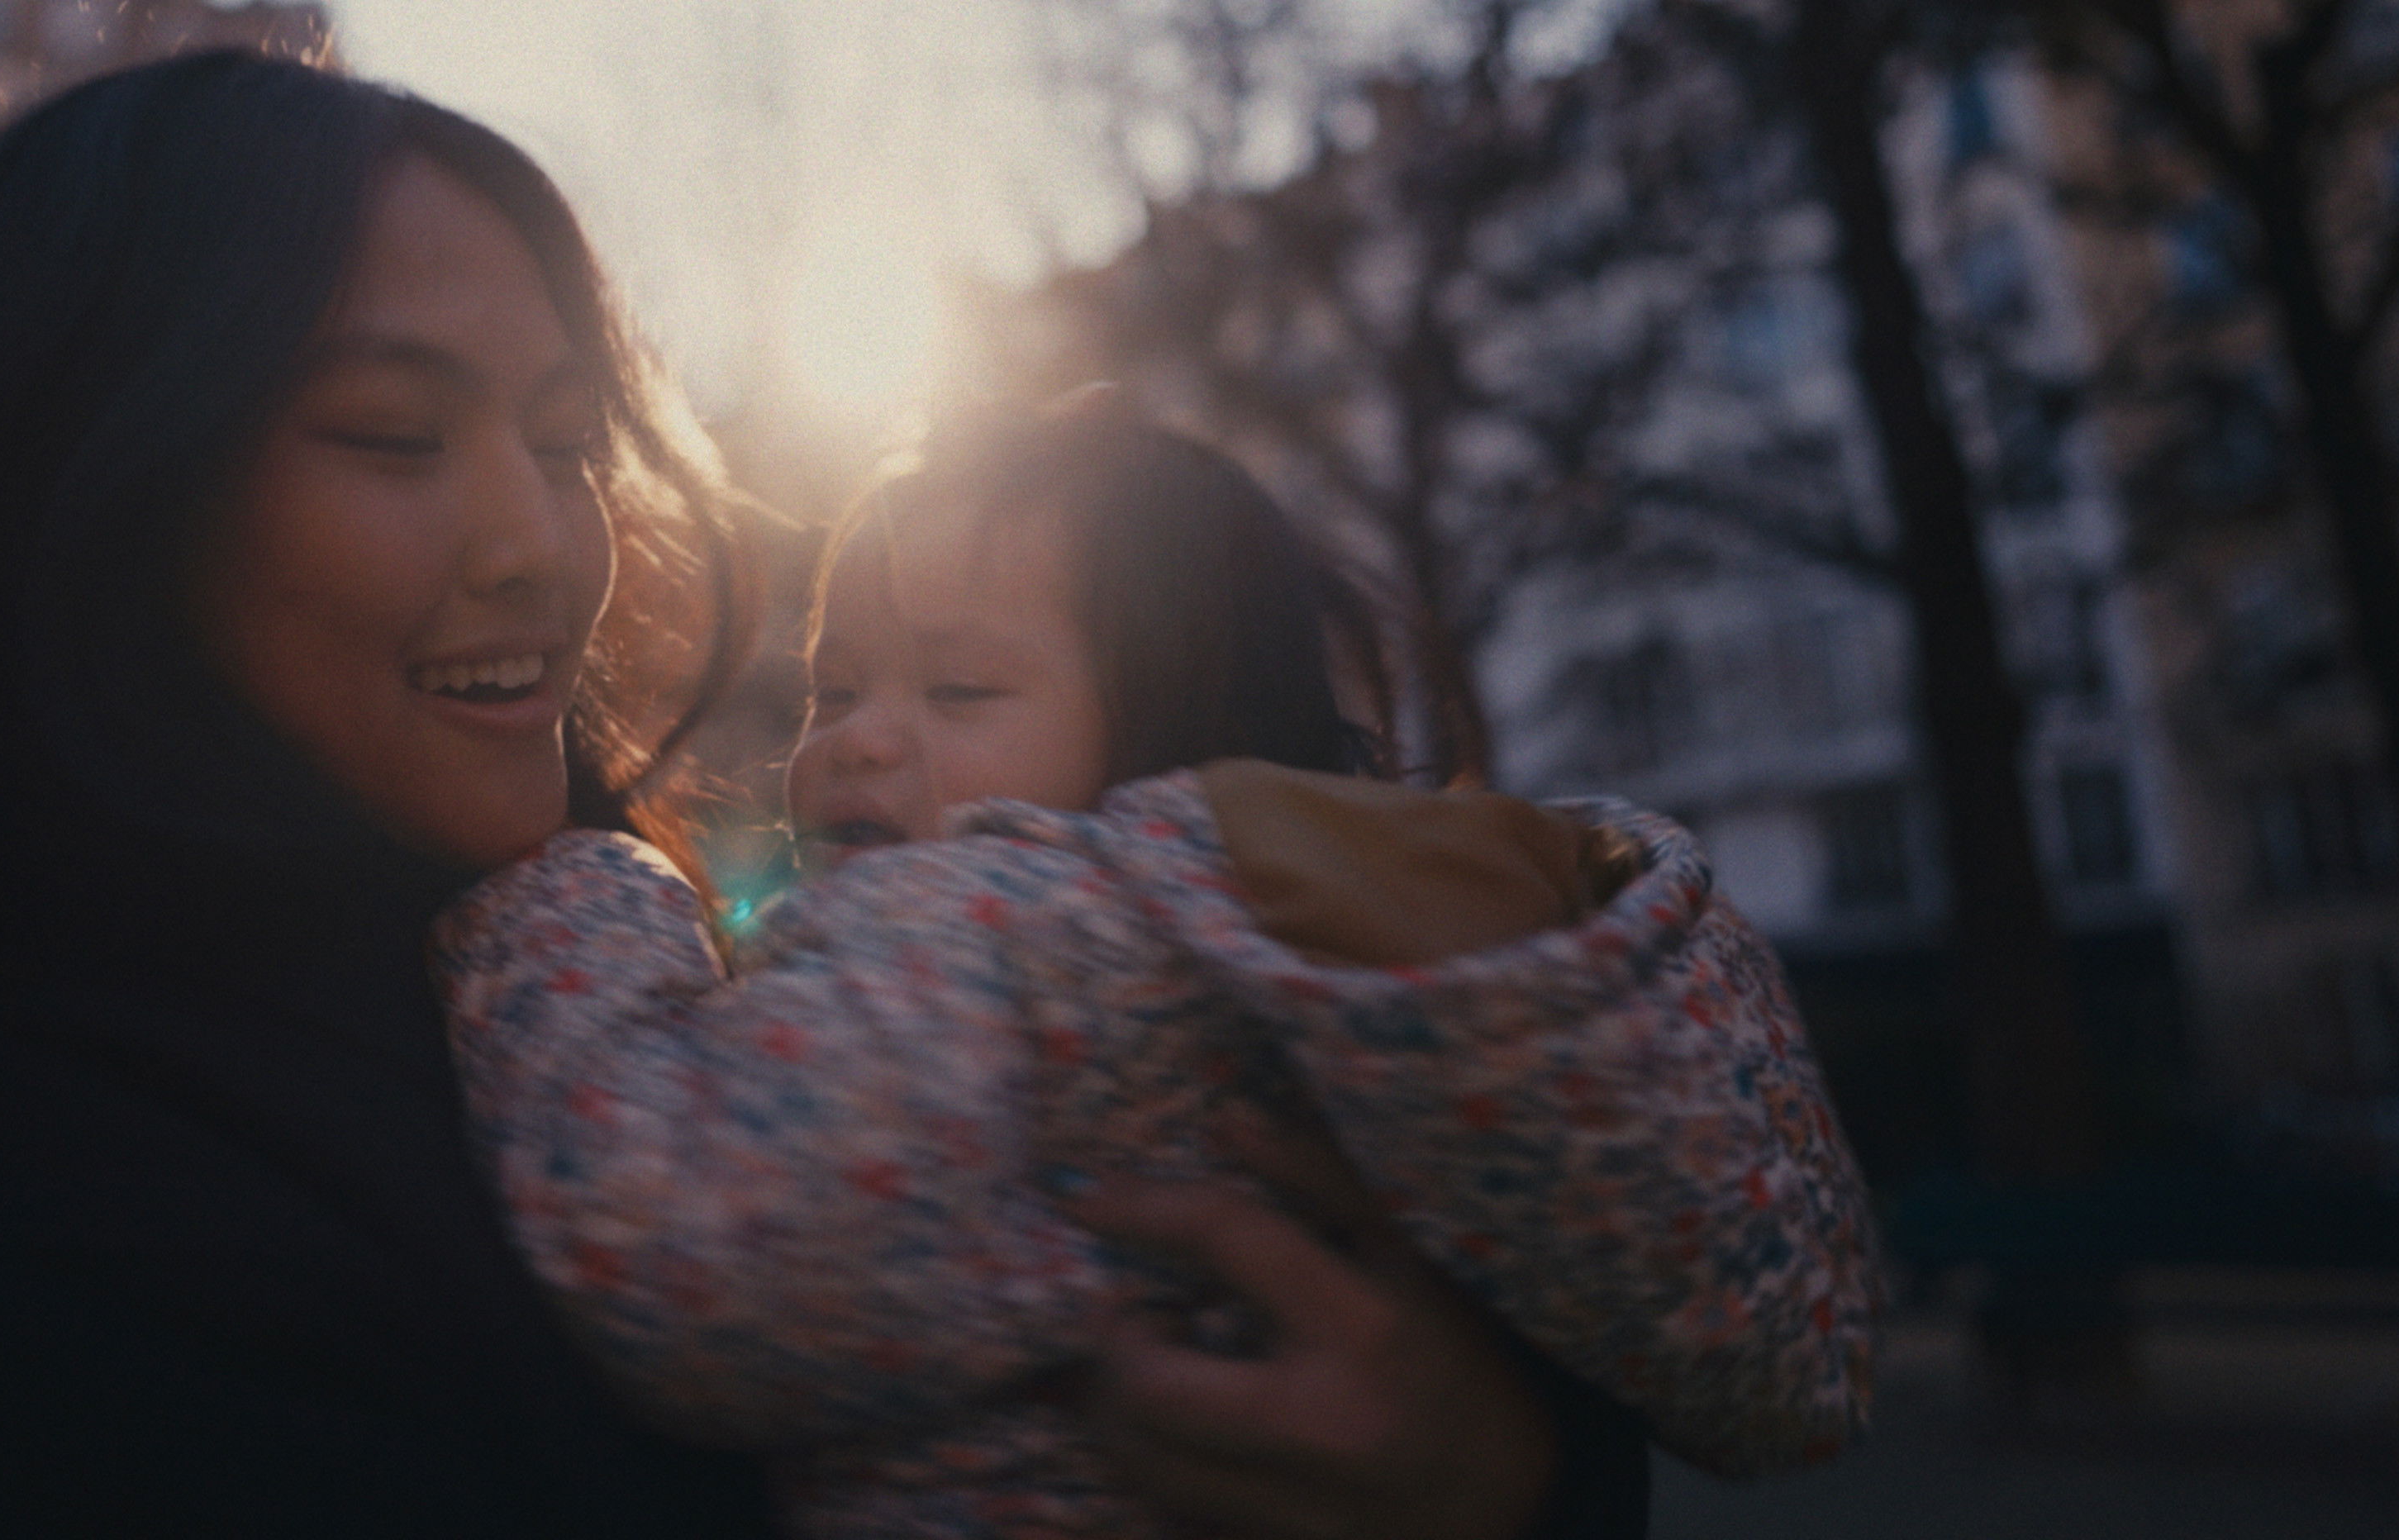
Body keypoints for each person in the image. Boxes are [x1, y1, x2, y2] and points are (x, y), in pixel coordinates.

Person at [0, 53, 1642, 1538]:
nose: (546, 538)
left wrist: (1502, 1463)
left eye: (562, 437)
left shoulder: (515, 1000)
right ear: (82, 497)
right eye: (395, 435)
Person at [429, 406, 1879, 1535]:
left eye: (960, 688)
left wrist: (575, 897)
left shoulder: (1034, 947)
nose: (853, 742)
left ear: (1179, 747)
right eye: (834, 686)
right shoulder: (1352, 1011)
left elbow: (666, 1229)